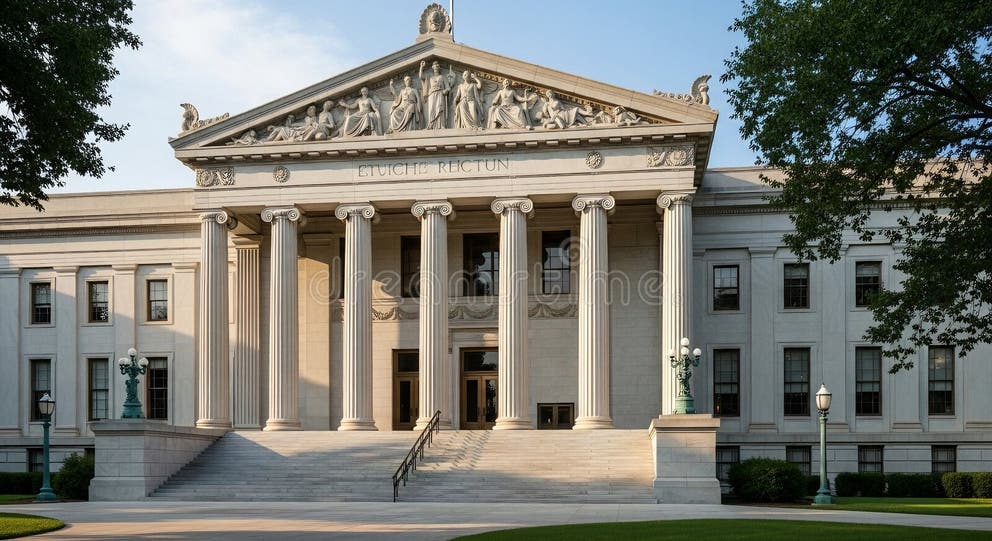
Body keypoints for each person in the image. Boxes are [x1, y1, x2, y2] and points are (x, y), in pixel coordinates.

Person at [419, 60, 452, 130]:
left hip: (440, 94)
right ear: (432, 67)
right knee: (431, 109)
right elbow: (421, 76)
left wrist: (445, 91)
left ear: (439, 68)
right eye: (435, 65)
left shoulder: (442, 77)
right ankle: (431, 125)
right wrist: (421, 67)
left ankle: (441, 125)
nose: (436, 67)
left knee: (439, 109)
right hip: (431, 95)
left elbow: (448, 87)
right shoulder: (429, 77)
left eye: (437, 66)